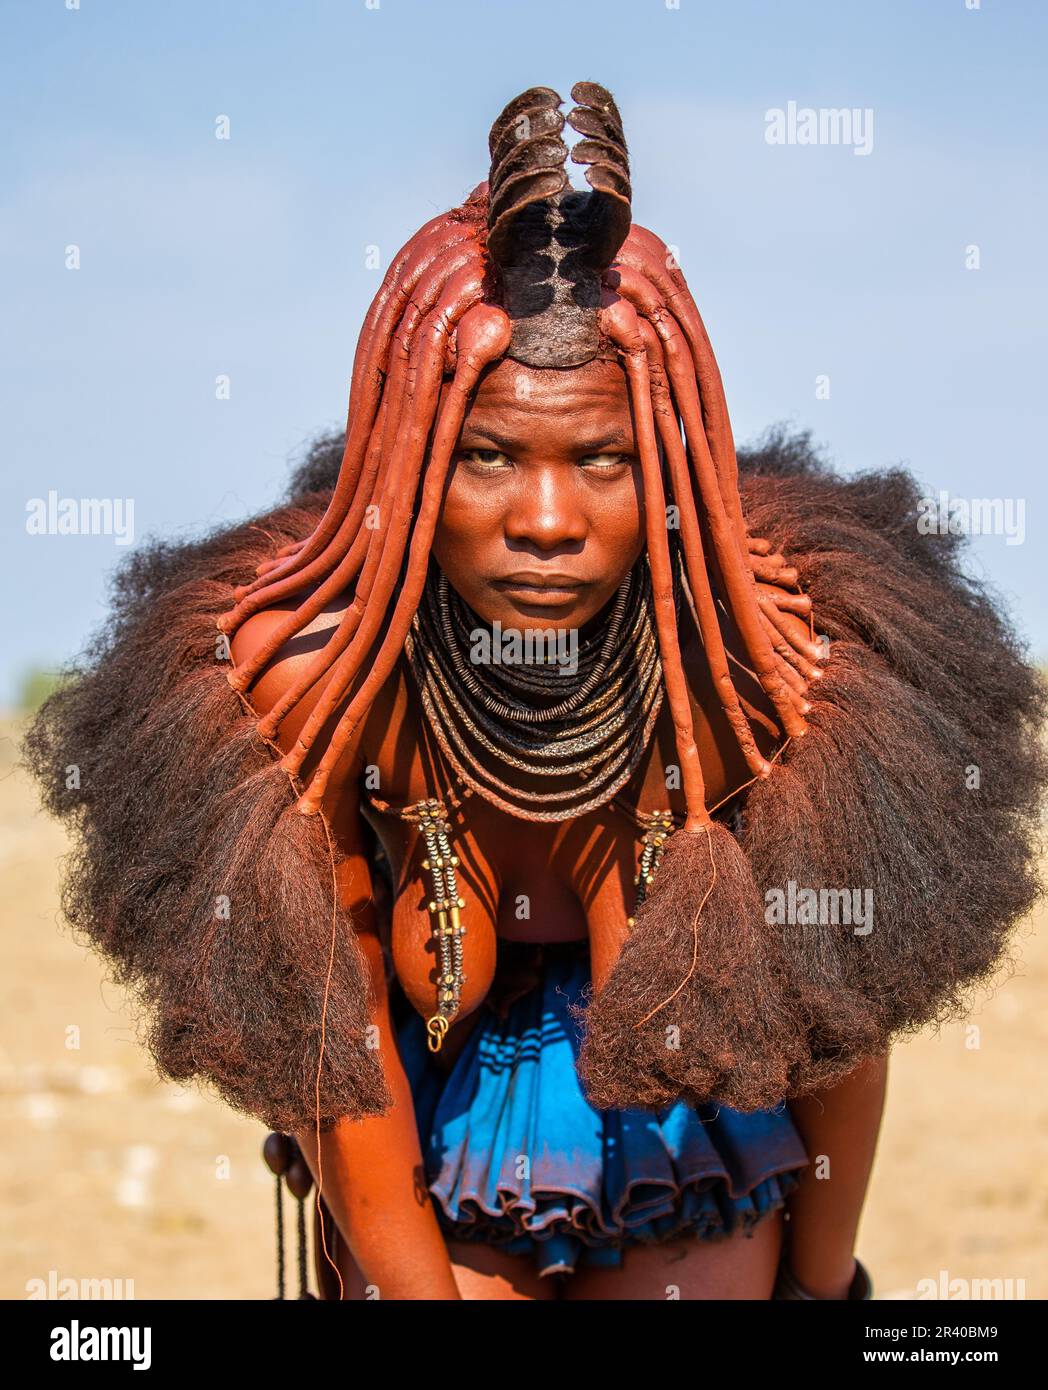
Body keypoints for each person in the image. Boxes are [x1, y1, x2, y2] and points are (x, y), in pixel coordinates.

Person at [25, 83, 1046, 1301]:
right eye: (488, 457)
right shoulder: (309, 690)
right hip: (424, 1116)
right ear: (405, 459)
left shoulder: (771, 678)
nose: (548, 522)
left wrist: (824, 1294)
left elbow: (838, 1025)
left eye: (602, 460)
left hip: (687, 1127)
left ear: (667, 458)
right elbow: (335, 1053)